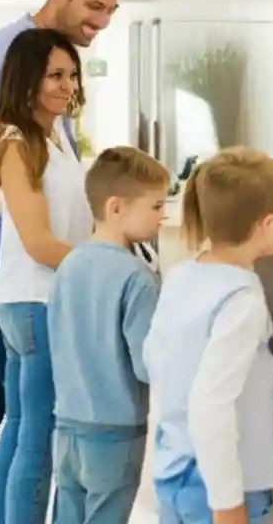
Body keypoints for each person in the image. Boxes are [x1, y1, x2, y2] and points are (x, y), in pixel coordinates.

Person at [0, 0, 129, 524]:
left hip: (4, 259)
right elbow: (16, 188)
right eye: (93, 6)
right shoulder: (12, 63)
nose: (100, 21)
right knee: (19, 413)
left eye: (111, 12)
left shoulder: (46, 66)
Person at [0, 29, 95, 524]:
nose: (66, 85)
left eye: (71, 74)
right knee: (37, 439)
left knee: (21, 428)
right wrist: (103, 271)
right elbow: (38, 241)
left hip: (32, 300)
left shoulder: (52, 137)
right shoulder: (15, 141)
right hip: (36, 302)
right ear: (26, 78)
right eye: (54, 75)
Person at [144, 148, 273, 524]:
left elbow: (154, 359)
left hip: (172, 472)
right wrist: (226, 504)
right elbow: (211, 404)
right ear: (267, 223)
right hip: (219, 490)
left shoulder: (182, 276)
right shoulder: (242, 301)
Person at [48, 147, 170, 524]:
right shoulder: (137, 278)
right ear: (117, 207)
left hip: (67, 428)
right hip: (115, 434)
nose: (162, 217)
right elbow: (148, 366)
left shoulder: (68, 265)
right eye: (155, 206)